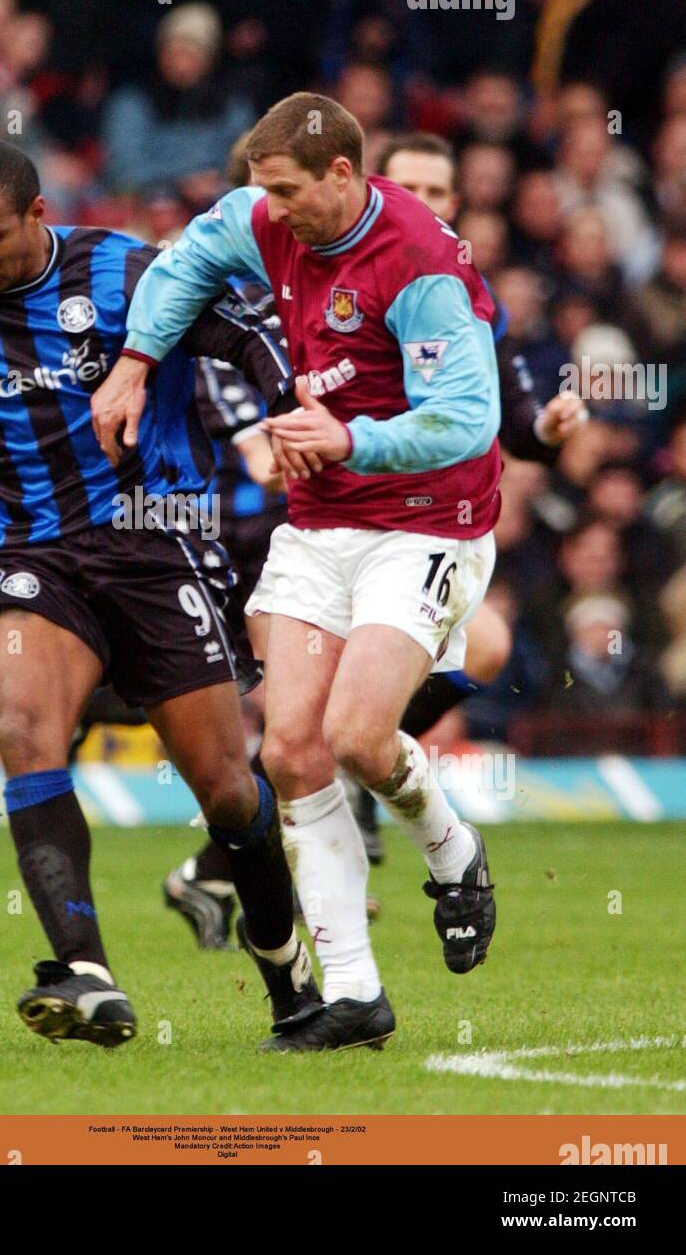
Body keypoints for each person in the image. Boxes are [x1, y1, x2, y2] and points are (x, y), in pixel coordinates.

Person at [0, 137, 322, 1050]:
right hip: (33, 551)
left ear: (38, 215)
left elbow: (253, 329)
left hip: (158, 543)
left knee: (228, 792)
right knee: (24, 724)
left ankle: (290, 978)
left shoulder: (128, 274)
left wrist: (291, 405)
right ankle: (86, 973)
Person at [92, 92, 505, 1053]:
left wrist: (348, 434)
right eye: (258, 191)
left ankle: (454, 854)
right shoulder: (262, 215)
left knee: (360, 735)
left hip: (426, 521)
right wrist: (136, 361)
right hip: (321, 521)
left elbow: (470, 416)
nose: (266, 211)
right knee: (287, 752)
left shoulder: (420, 267)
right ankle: (354, 996)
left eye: (283, 192)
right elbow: (184, 263)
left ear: (341, 176)